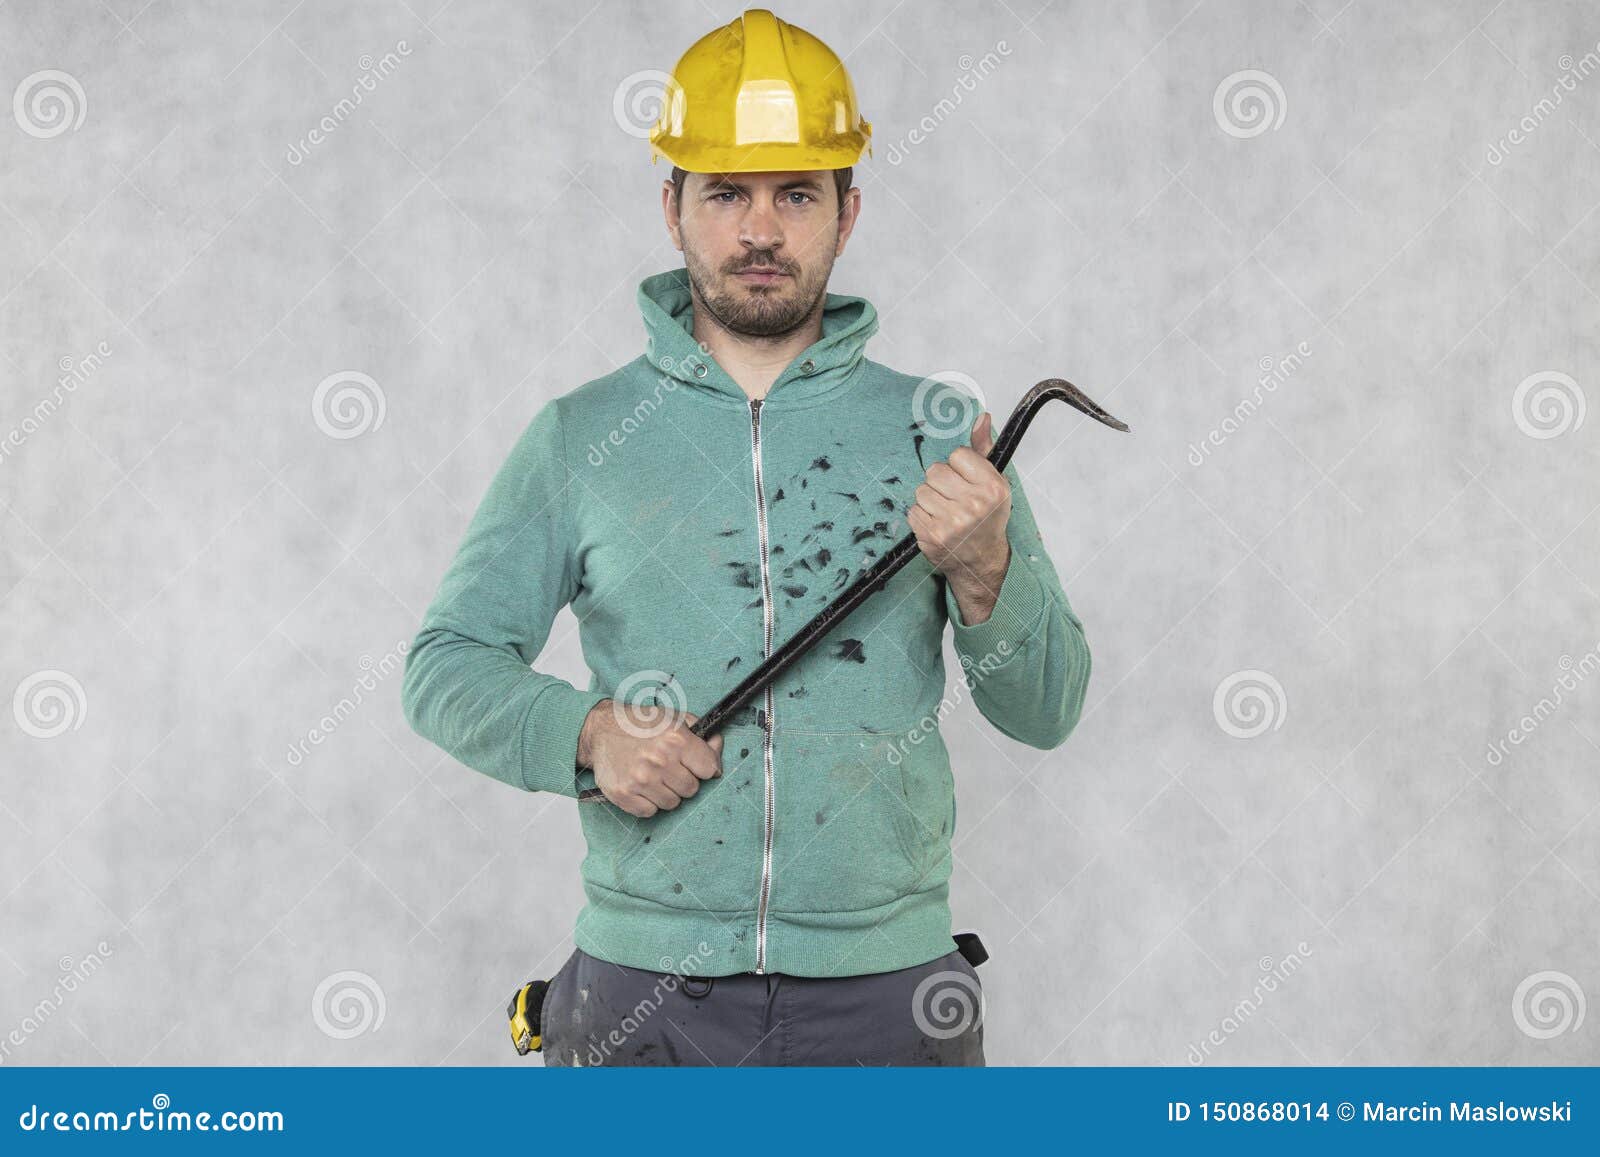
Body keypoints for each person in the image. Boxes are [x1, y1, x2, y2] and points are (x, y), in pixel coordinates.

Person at [400, 8, 1092, 1066]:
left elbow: (1045, 709)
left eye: (795, 194)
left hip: (888, 997)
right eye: (725, 192)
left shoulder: (942, 433)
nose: (759, 232)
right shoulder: (580, 437)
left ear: (847, 212)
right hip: (643, 995)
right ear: (671, 204)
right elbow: (443, 666)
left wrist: (989, 567)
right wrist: (589, 736)